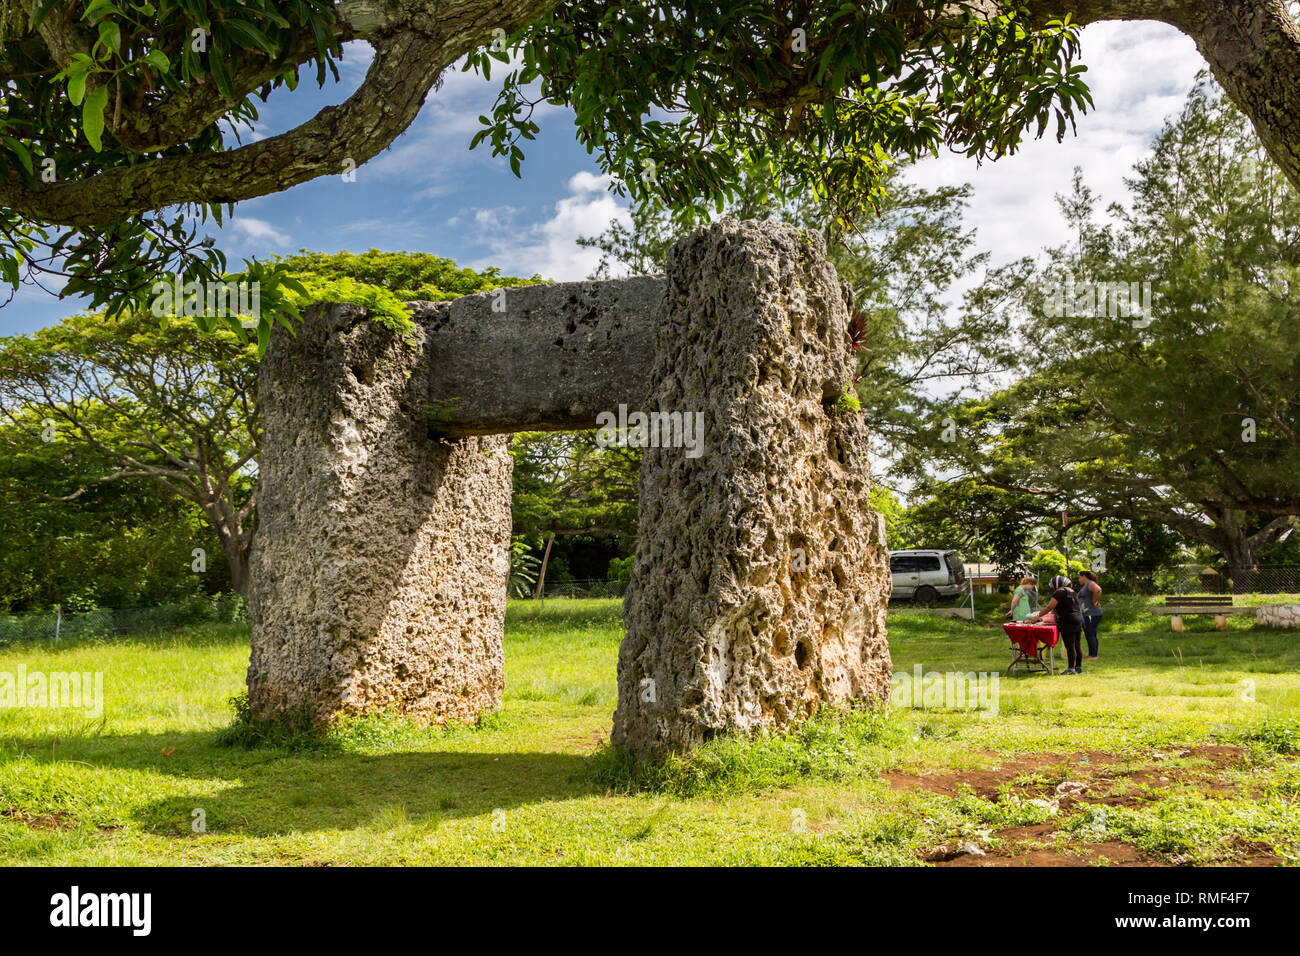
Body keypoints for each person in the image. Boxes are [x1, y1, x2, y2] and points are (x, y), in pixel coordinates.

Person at [1028, 575, 1085, 674]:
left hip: (1068, 620)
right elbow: (1062, 606)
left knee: (1070, 645)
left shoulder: (1059, 592)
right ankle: (1078, 667)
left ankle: (1071, 669)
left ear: (1056, 584)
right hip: (1078, 618)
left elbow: (1049, 607)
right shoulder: (1073, 592)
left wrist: (1037, 617)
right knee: (1077, 644)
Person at [1077, 570, 1103, 659]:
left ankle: (1093, 655)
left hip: (1092, 613)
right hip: (1088, 613)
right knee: (1090, 633)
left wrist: (1094, 601)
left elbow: (1098, 590)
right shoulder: (1086, 585)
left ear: (1084, 576)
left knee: (1090, 633)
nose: (1078, 579)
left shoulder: (1090, 583)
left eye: (1079, 577)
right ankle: (1092, 654)